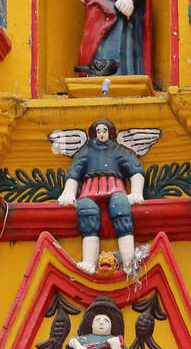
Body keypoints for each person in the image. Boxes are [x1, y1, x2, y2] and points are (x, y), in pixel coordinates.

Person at [57, 118, 145, 275]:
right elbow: (75, 172)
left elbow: (135, 170)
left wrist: (137, 192)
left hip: (114, 186)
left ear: (110, 133)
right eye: (98, 131)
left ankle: (129, 262)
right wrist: (69, 192)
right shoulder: (86, 150)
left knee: (121, 209)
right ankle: (89, 262)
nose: (102, 134)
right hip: (90, 188)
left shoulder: (118, 150)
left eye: (105, 131)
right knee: (86, 211)